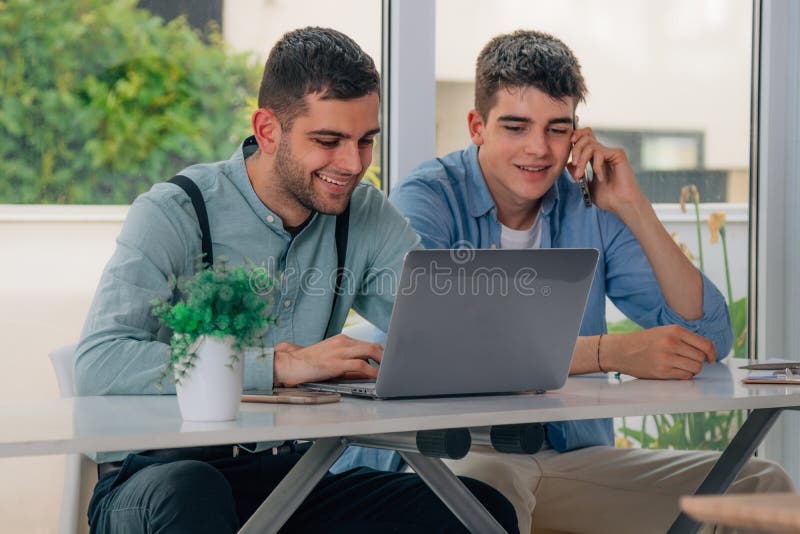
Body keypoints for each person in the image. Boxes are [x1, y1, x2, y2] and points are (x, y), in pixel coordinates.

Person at [75, 27, 517, 534]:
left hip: (291, 478)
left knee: (478, 513)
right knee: (195, 493)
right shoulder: (176, 212)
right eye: (328, 141)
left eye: (365, 141)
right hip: (156, 478)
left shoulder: (362, 215)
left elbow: (445, 328)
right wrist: (279, 365)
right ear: (267, 130)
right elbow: (98, 363)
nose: (353, 165)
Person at [390, 30, 792, 534]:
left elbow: (709, 334)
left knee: (760, 489)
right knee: (482, 511)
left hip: (571, 457)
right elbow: (433, 343)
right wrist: (609, 353)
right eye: (516, 126)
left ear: (576, 133)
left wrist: (632, 206)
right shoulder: (428, 197)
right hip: (462, 459)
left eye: (557, 129)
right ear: (477, 126)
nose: (538, 149)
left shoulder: (587, 204)